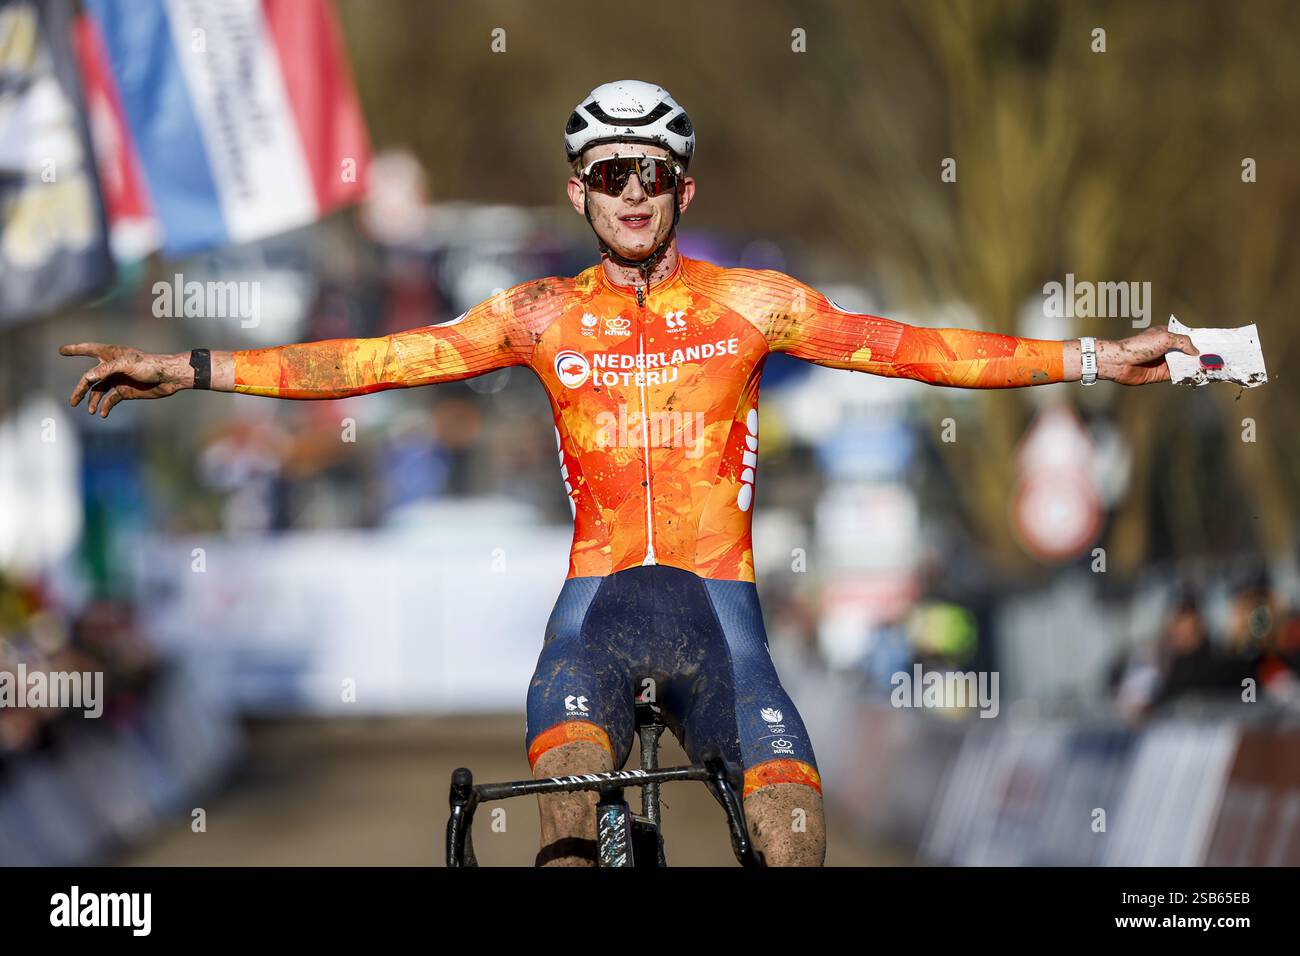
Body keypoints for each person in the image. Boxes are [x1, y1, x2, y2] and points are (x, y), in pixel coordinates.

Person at [61, 80, 1196, 866]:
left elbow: (919, 350)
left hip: (723, 620)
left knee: (796, 832)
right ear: (578, 192)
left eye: (654, 170)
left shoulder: (753, 302)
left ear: (684, 187)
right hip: (594, 616)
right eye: (609, 172)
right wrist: (193, 363)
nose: (633, 191)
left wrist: (1095, 354)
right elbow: (366, 361)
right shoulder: (538, 314)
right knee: (564, 816)